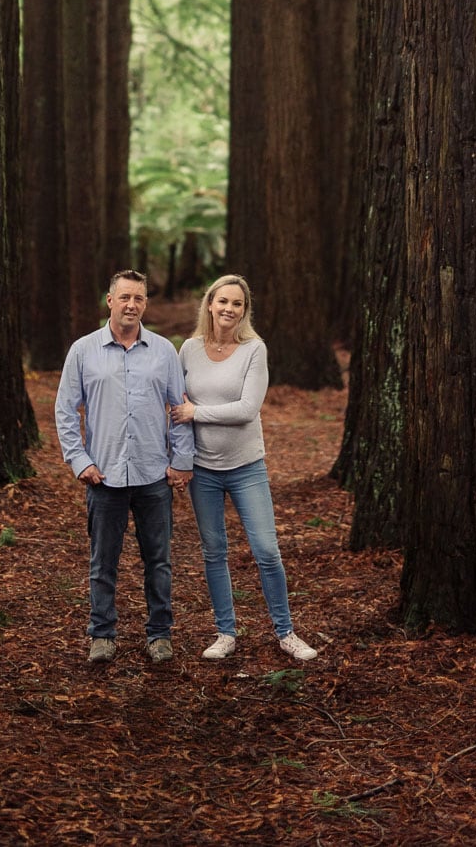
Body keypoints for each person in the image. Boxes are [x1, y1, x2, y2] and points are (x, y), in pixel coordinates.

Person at [172, 273, 318, 664]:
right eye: (223, 301)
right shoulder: (187, 349)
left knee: (267, 550)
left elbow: (247, 409)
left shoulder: (254, 349)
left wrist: (196, 412)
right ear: (209, 304)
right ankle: (225, 632)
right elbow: (174, 406)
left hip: (246, 466)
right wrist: (178, 458)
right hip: (202, 468)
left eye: (237, 304)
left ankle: (285, 632)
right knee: (214, 551)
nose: (229, 309)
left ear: (244, 310)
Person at [55, 270, 195, 665]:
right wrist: (79, 460)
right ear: (110, 301)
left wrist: (181, 462)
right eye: (124, 297)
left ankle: (159, 634)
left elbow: (179, 409)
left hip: (154, 475)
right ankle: (102, 634)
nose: (131, 304)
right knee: (103, 563)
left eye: (139, 298)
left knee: (159, 561)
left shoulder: (165, 351)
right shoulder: (83, 351)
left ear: (145, 304)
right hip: (105, 476)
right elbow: (65, 410)